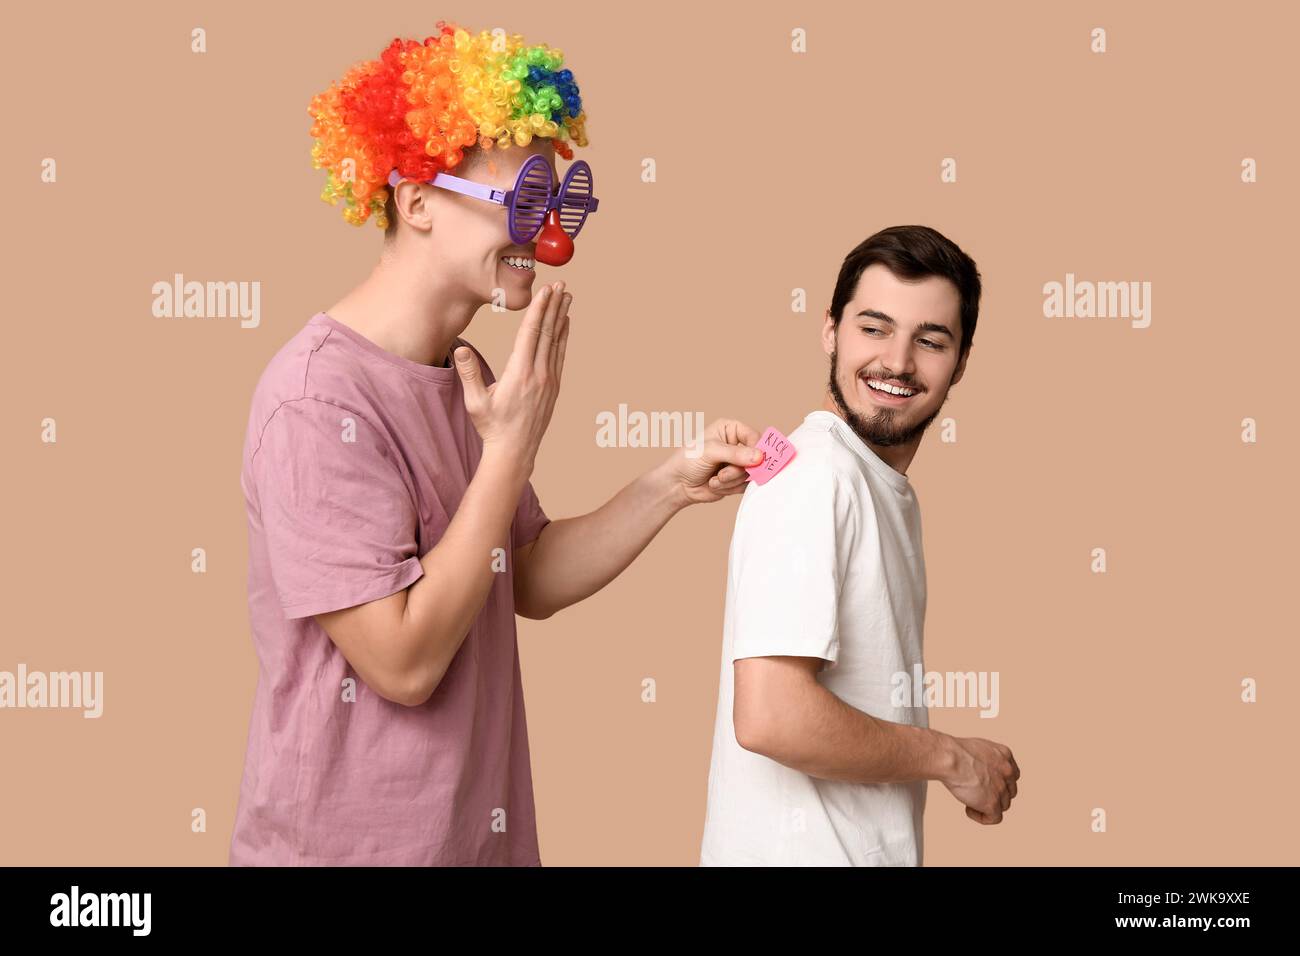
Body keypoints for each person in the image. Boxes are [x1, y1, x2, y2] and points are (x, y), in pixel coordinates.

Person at [230, 23, 761, 866]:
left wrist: (670, 484)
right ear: (415, 202)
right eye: (523, 206)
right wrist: (512, 448)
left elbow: (528, 574)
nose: (552, 237)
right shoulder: (314, 401)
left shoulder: (464, 375)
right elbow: (403, 662)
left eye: (559, 205)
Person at [700, 225, 1020, 866]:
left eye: (930, 340)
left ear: (960, 363)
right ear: (830, 331)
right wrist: (953, 759)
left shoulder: (871, 484)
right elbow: (770, 716)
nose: (897, 363)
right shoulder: (818, 474)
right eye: (873, 329)